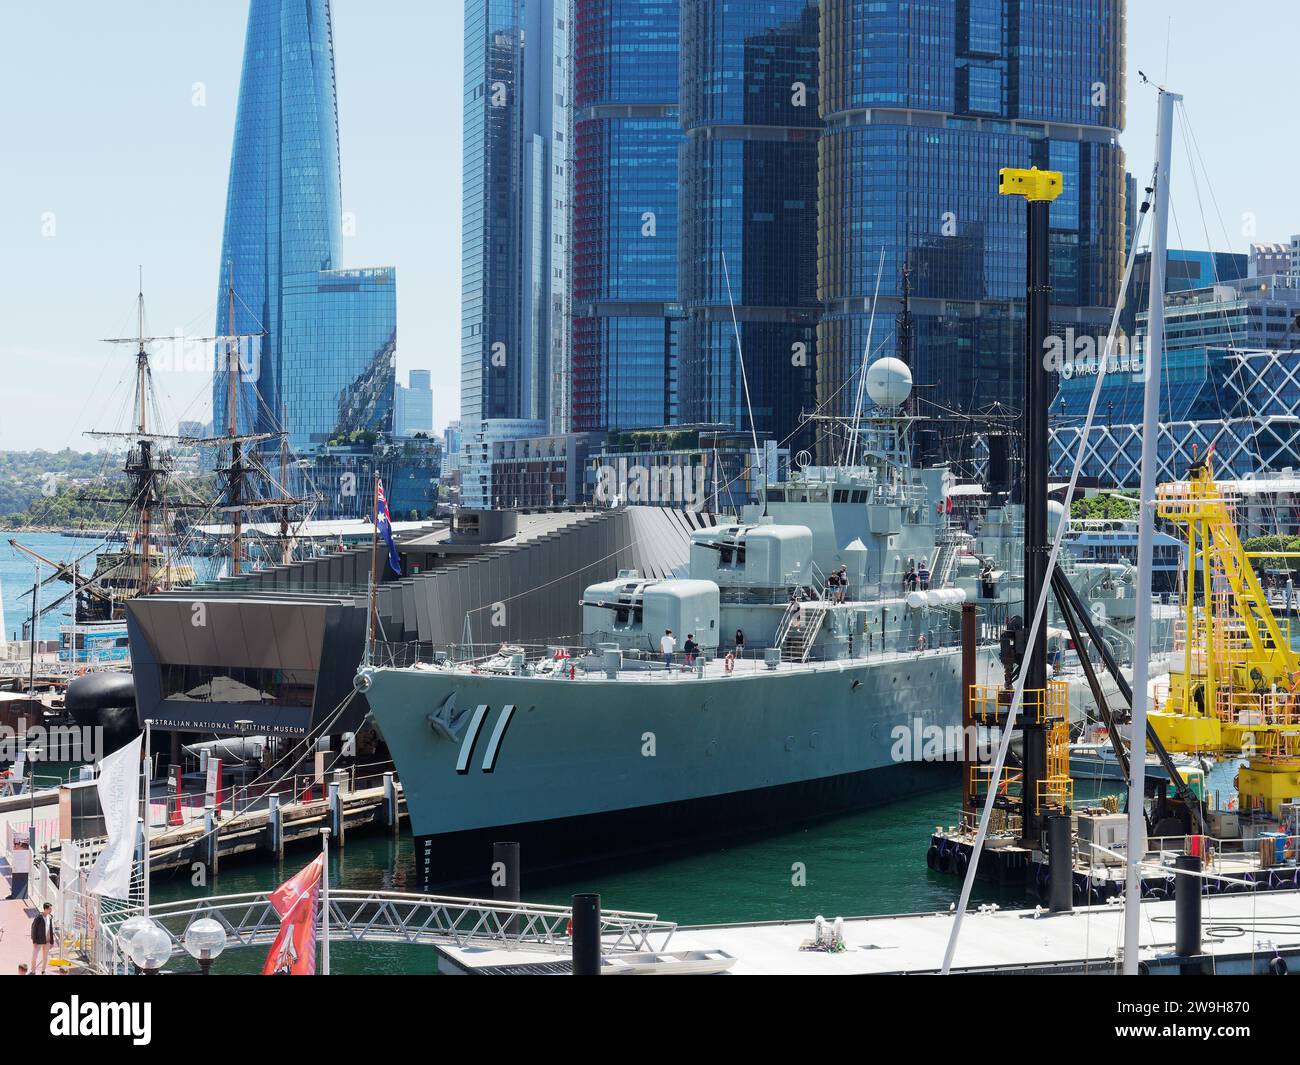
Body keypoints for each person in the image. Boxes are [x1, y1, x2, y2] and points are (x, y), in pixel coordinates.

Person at [31, 903, 54, 975]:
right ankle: (33, 971)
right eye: (50, 909)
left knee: (45, 957)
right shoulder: (38, 917)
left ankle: (43, 971)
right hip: (38, 941)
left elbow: (50, 929)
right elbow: (33, 929)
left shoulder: (50, 917)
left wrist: (52, 941)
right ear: (46, 909)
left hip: (47, 941)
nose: (51, 910)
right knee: (34, 956)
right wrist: (34, 941)